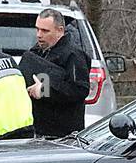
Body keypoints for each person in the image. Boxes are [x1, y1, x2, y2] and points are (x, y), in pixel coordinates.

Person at [19, 8, 90, 137]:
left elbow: (79, 90)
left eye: (45, 31)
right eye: (37, 29)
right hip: (37, 130)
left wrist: (44, 90)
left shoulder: (74, 55)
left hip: (63, 135)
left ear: (60, 30)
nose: (39, 34)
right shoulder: (36, 52)